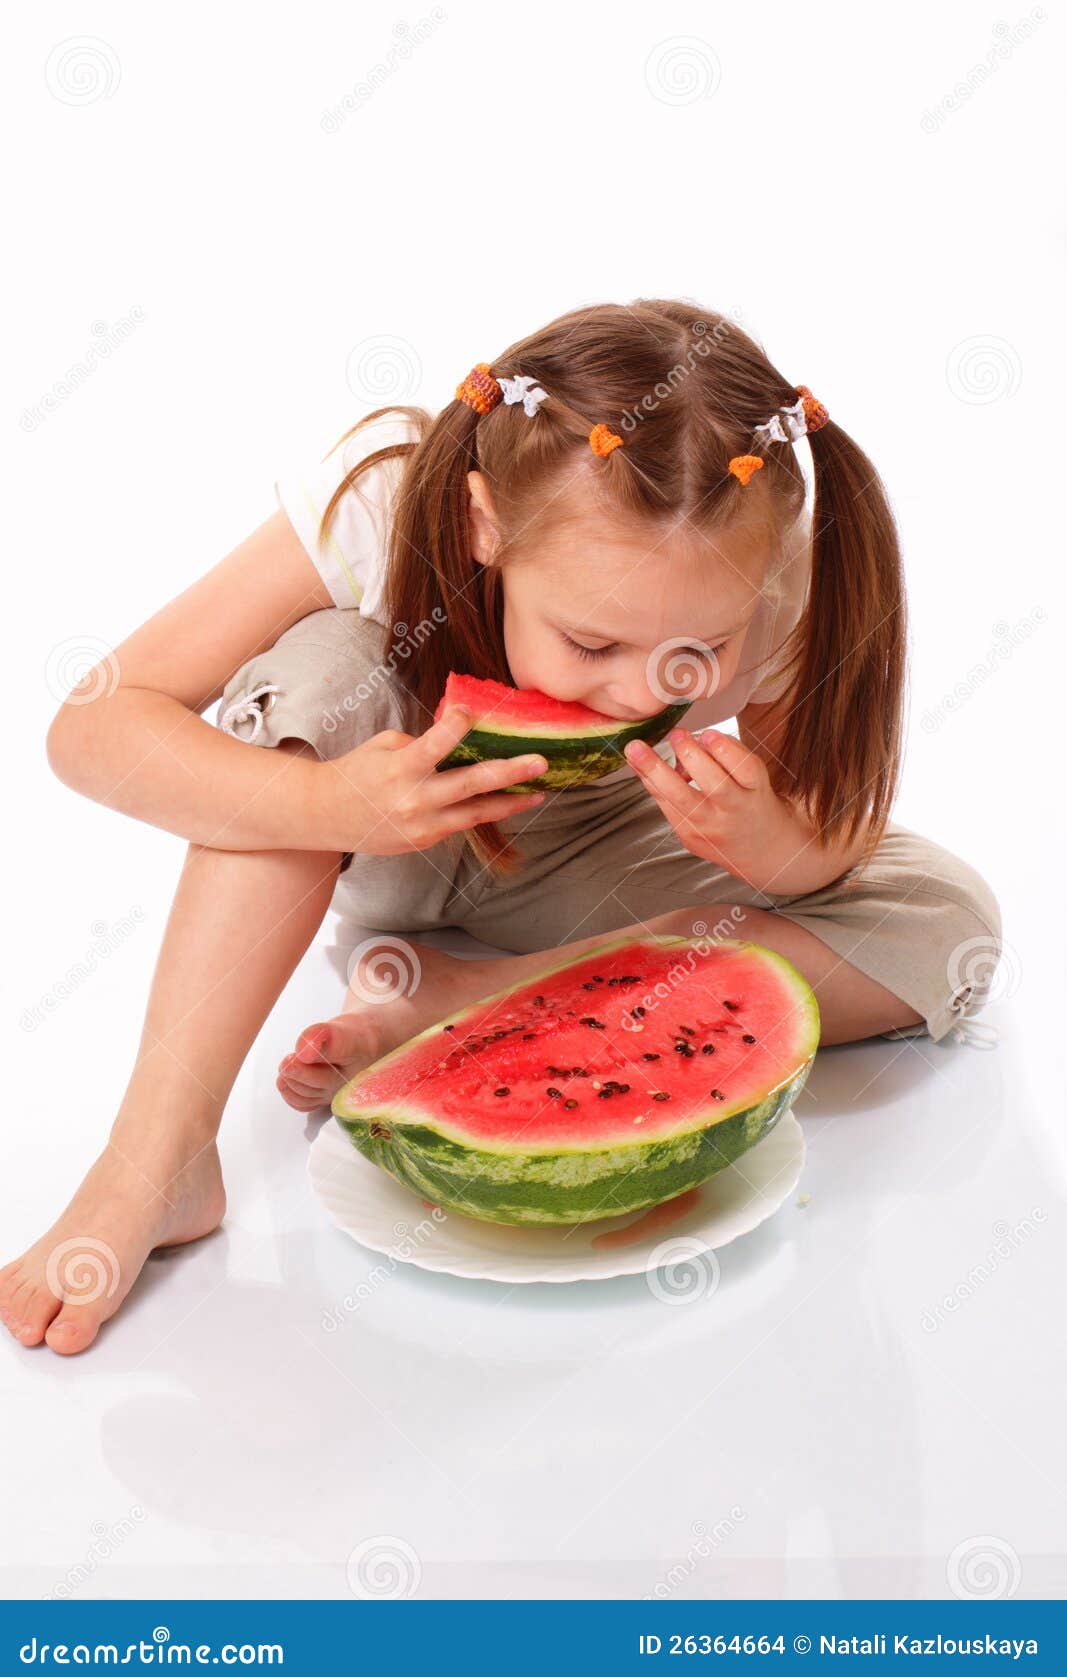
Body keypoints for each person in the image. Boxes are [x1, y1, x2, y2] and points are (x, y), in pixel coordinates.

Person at [1, 300, 1002, 1355]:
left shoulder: (775, 570)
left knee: (944, 915)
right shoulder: (385, 494)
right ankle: (156, 1157)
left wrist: (772, 846)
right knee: (323, 675)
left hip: (589, 865)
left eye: (694, 653)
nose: (638, 692)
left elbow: (827, 833)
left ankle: (459, 997)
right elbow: (94, 727)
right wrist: (330, 806)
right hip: (370, 823)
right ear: (485, 525)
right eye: (588, 641)